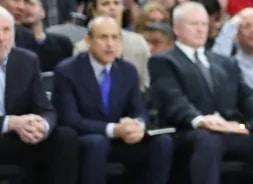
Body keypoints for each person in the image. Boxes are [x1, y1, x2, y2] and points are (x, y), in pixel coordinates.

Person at [148, 1, 253, 184]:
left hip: (229, 130)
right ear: (177, 29)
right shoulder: (163, 61)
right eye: (193, 24)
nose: (200, 30)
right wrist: (201, 120)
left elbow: (247, 95)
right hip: (190, 132)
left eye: (204, 24)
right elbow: (173, 99)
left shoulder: (225, 62)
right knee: (209, 139)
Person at [52, 15, 174, 184]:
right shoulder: (67, 70)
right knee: (97, 143)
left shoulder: (127, 70)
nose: (110, 44)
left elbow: (139, 109)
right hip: (87, 137)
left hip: (121, 138)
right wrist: (114, 129)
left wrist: (137, 124)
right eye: (103, 37)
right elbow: (71, 119)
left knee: (162, 142)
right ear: (88, 41)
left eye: (115, 37)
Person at [0, 6, 79, 180]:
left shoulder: (27, 60)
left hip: (15, 139)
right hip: (8, 128)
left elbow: (45, 108)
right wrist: (10, 122)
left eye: (6, 30)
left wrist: (41, 126)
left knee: (65, 137)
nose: (1, 38)